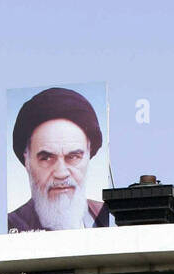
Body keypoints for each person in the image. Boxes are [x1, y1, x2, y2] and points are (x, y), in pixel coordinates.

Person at [8, 87, 109, 233]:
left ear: (88, 155)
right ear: (27, 161)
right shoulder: (11, 226)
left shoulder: (107, 217)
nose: (61, 173)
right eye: (47, 158)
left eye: (73, 157)